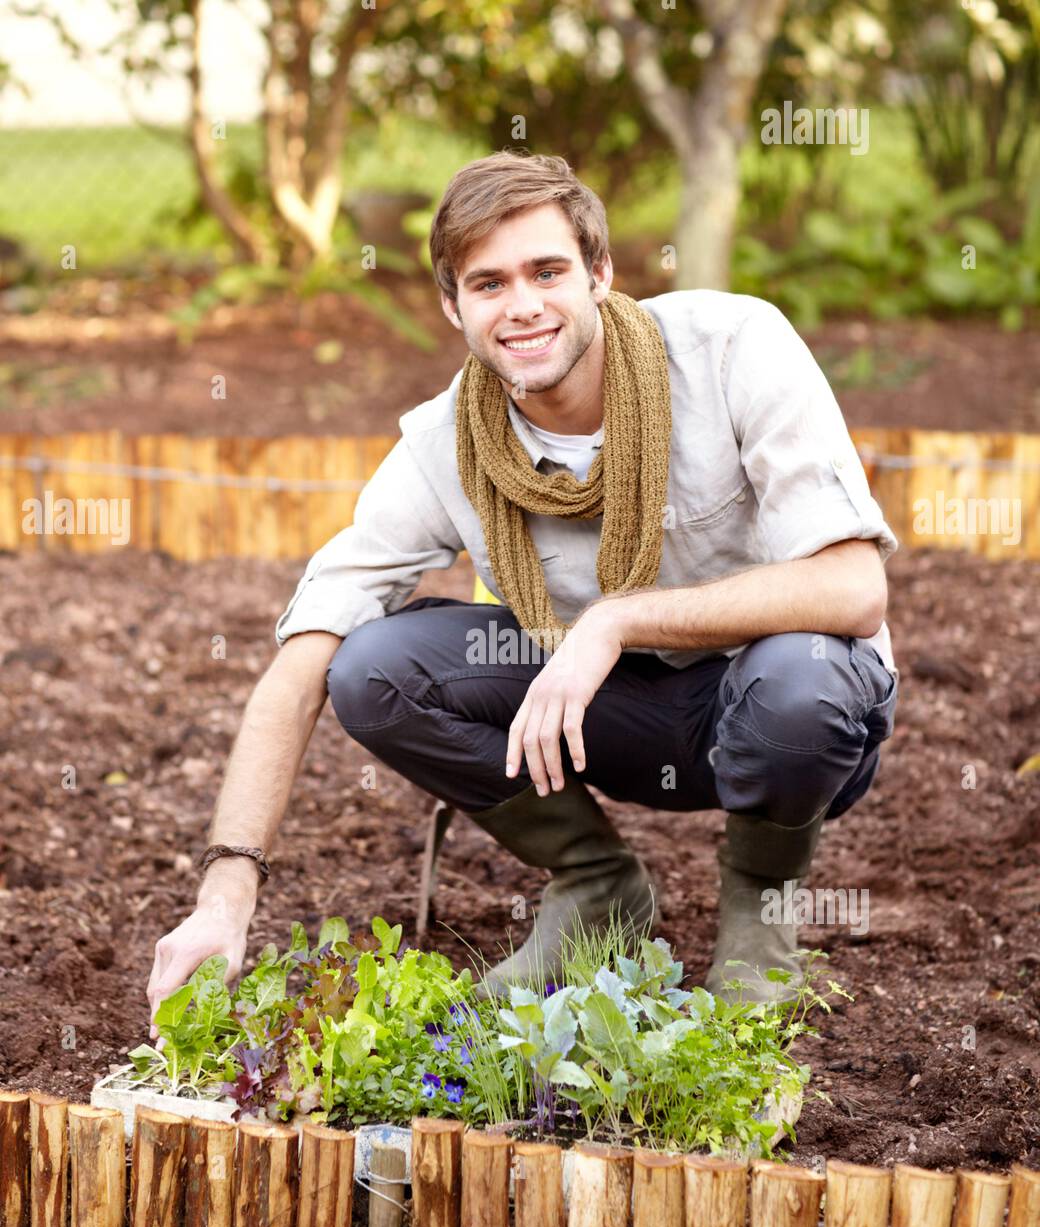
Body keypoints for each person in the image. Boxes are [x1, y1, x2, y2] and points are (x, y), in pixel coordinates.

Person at [147, 150, 899, 1031]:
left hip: (776, 715)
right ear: (453, 306)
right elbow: (306, 655)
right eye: (489, 283)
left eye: (548, 271)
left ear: (601, 274)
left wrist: (616, 619)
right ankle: (596, 885)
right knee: (371, 669)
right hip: (599, 717)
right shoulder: (445, 445)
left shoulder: (735, 348)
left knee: (803, 675)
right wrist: (225, 895)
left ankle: (762, 904)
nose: (524, 305)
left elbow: (855, 587)